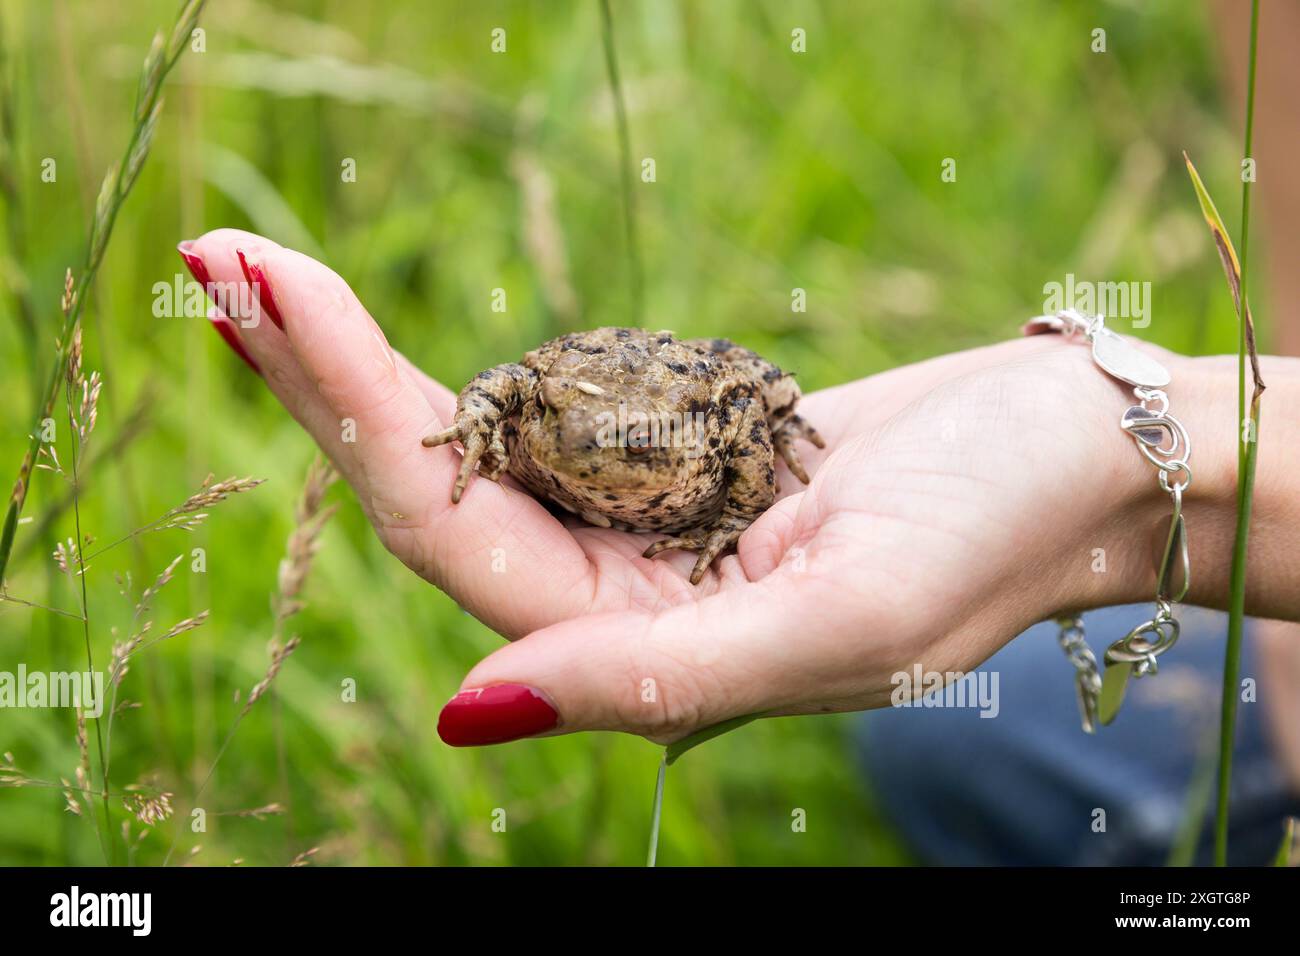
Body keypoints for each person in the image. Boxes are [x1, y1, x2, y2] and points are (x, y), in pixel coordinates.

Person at [178, 230, 1299, 863]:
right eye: (583, 436)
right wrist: (1148, 441)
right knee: (933, 746)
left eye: (630, 445)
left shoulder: (705, 433)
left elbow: (757, 428)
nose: (609, 453)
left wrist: (721, 510)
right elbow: (503, 384)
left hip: (693, 394)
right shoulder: (537, 409)